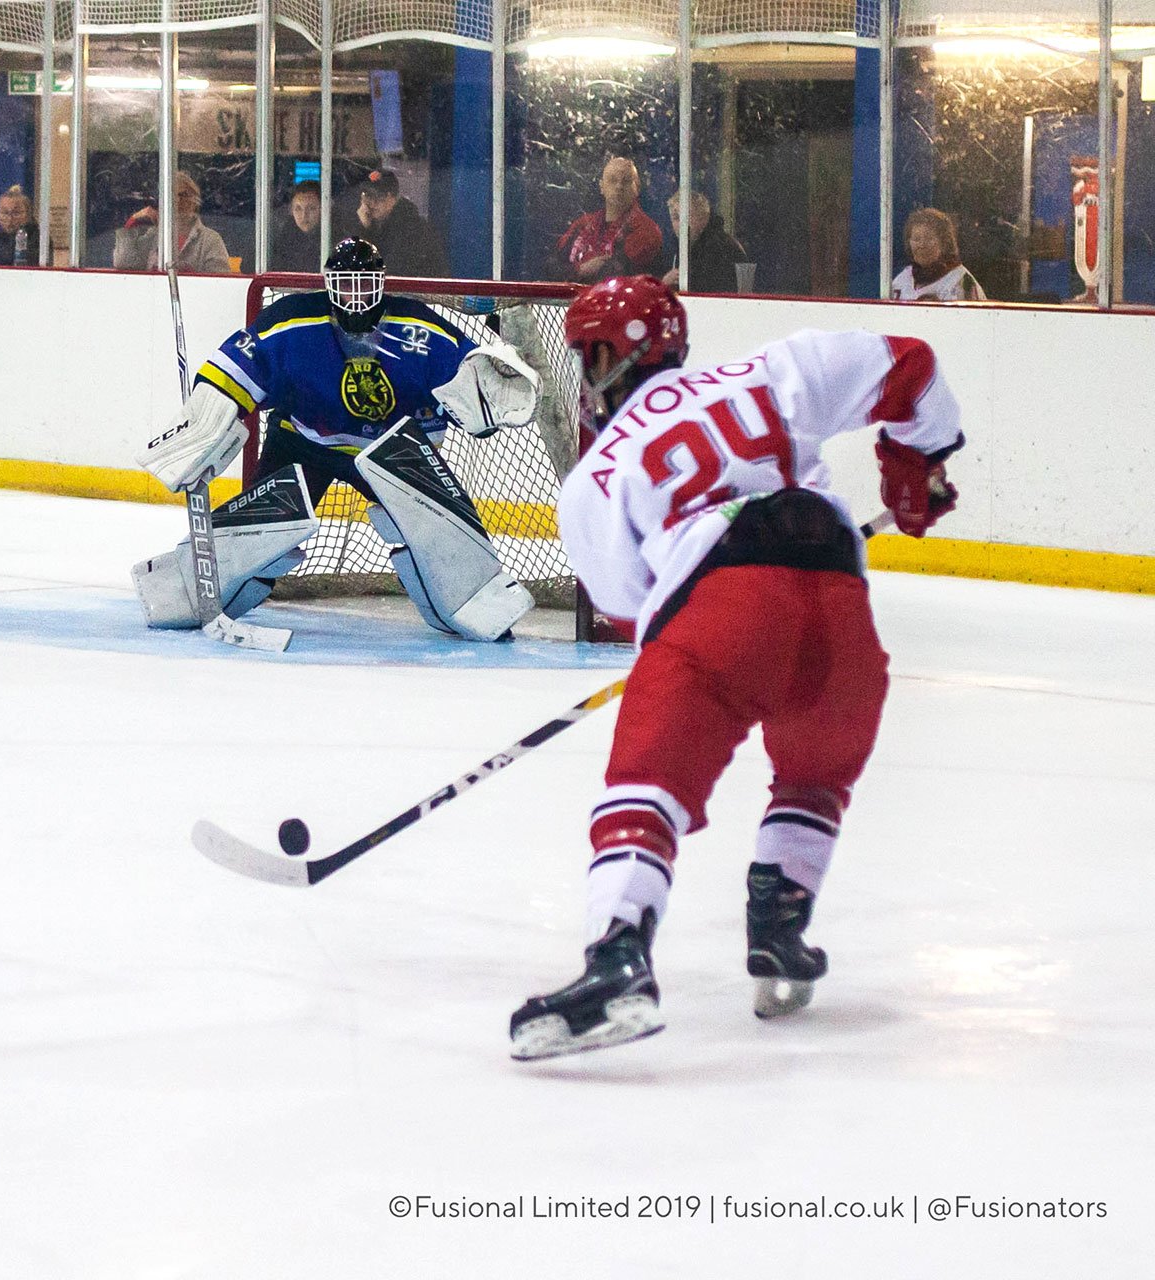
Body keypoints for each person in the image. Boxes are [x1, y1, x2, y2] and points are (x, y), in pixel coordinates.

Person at [505, 276, 965, 1060]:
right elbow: (913, 364)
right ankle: (780, 928)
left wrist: (684, 649)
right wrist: (910, 471)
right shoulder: (770, 369)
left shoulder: (593, 476)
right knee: (815, 774)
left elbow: (629, 608)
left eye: (589, 357)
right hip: (841, 609)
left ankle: (617, 957)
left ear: (618, 356)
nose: (584, 378)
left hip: (723, 608)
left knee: (647, 781)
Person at [134, 237, 543, 643]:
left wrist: (486, 396)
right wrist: (206, 421)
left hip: (391, 449)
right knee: (262, 525)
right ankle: (185, 589)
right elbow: (240, 366)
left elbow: (470, 376)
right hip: (304, 443)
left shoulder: (420, 328)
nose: (355, 295)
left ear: (381, 283)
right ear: (329, 283)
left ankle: (476, 598)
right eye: (345, 284)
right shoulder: (292, 321)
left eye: (363, 283)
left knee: (438, 522)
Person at [555, 156, 663, 284]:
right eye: (612, 180)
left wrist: (576, 272)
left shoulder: (646, 230)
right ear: (602, 187)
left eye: (626, 181)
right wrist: (580, 270)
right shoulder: (583, 223)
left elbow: (618, 273)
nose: (619, 186)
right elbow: (552, 265)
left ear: (637, 188)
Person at [113, 171, 233, 273]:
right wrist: (132, 222)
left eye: (184, 195)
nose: (179, 201)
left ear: (195, 202)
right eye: (172, 196)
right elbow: (123, 264)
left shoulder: (209, 240)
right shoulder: (153, 236)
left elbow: (220, 281)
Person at [353, 169, 446, 278]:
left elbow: (389, 273)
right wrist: (365, 228)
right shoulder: (376, 226)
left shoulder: (413, 229)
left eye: (378, 197)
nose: (371, 203)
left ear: (391, 197)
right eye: (368, 196)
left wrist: (366, 232)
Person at [660, 190, 747, 294]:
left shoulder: (721, 248)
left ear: (703, 217)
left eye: (685, 217)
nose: (680, 224)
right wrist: (664, 284)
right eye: (675, 218)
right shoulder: (684, 247)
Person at [891, 207, 986, 302]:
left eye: (929, 238)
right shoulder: (902, 278)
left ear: (944, 242)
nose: (922, 245)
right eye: (916, 239)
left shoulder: (962, 281)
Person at [268, 180, 322, 273]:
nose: (304, 215)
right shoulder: (284, 240)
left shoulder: (335, 237)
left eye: (311, 208)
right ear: (291, 210)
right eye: (298, 209)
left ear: (322, 209)